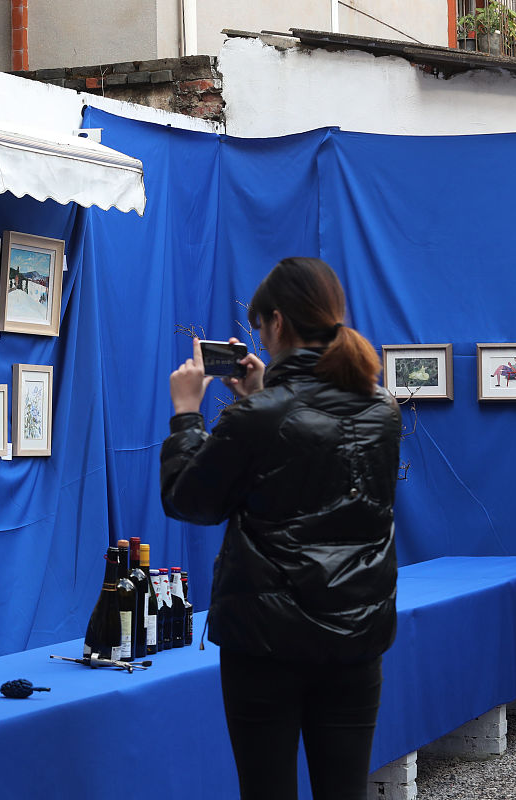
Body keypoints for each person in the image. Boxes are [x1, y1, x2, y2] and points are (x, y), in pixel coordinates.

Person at [160, 257, 401, 800]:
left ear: (277, 323)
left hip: (266, 641)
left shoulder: (260, 418)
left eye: (260, 326)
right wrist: (260, 395)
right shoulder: (382, 410)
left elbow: (190, 501)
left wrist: (187, 415)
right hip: (356, 633)